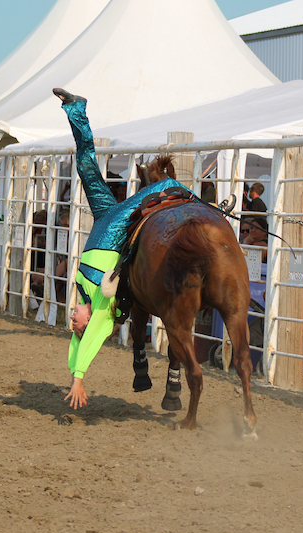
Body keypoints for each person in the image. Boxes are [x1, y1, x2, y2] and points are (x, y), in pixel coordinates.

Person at [53, 88, 200, 410]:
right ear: (87, 323)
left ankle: (76, 110)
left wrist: (72, 367)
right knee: (156, 188)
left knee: (86, 167)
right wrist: (78, 377)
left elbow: (76, 344)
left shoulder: (85, 295)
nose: (72, 320)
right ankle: (190, 197)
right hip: (115, 228)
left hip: (102, 216)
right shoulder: (104, 310)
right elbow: (88, 342)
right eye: (75, 324)